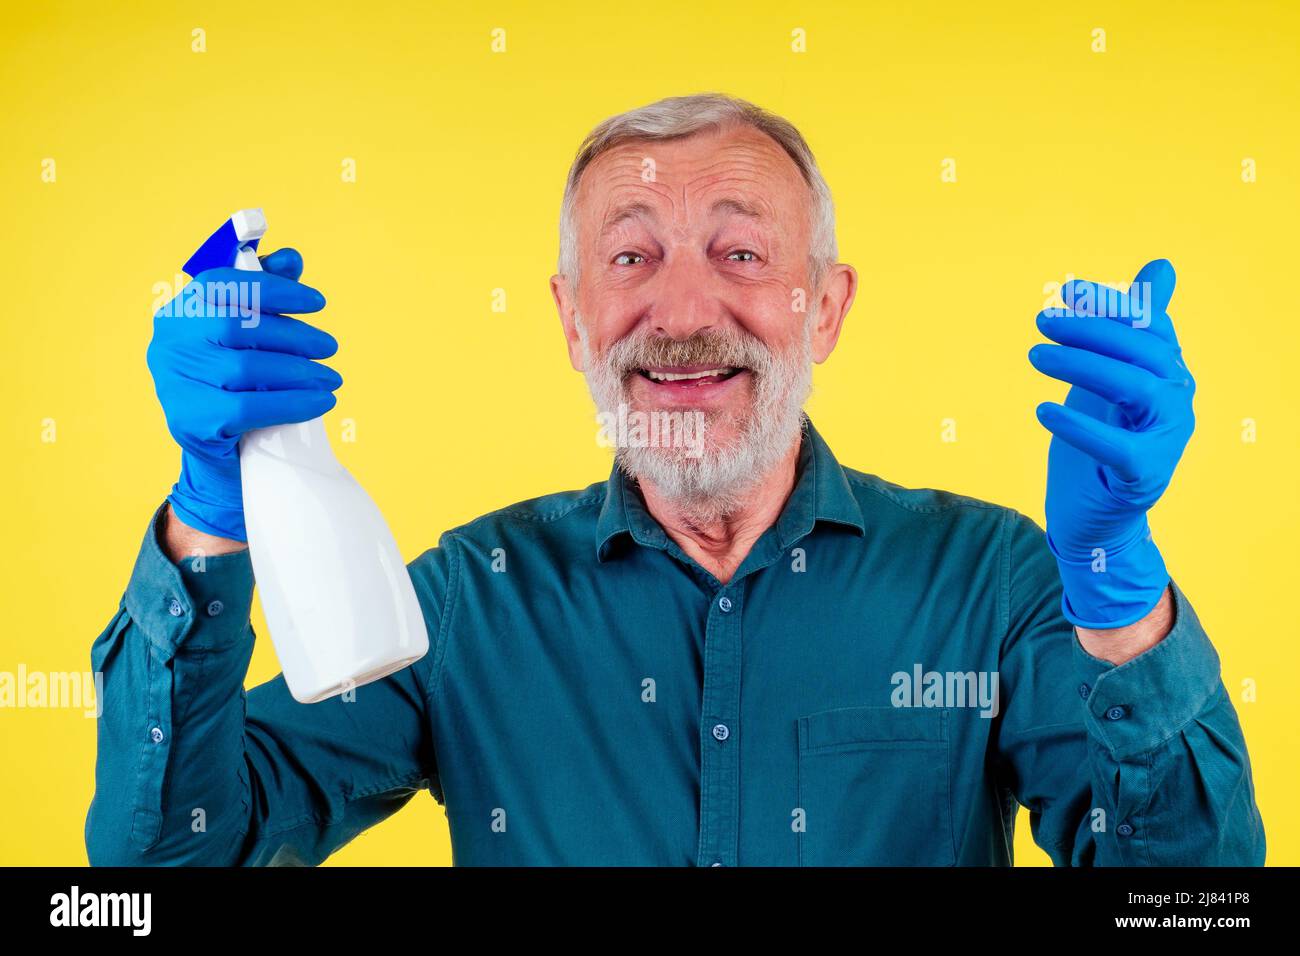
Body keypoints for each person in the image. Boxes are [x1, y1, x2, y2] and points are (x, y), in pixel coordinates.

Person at [86, 93, 1265, 866]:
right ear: (571, 317)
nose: (685, 313)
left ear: (828, 308)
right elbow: (167, 863)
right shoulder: (470, 602)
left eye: (743, 253)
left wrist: (1117, 597)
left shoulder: (987, 583)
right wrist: (205, 518)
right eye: (631, 255)